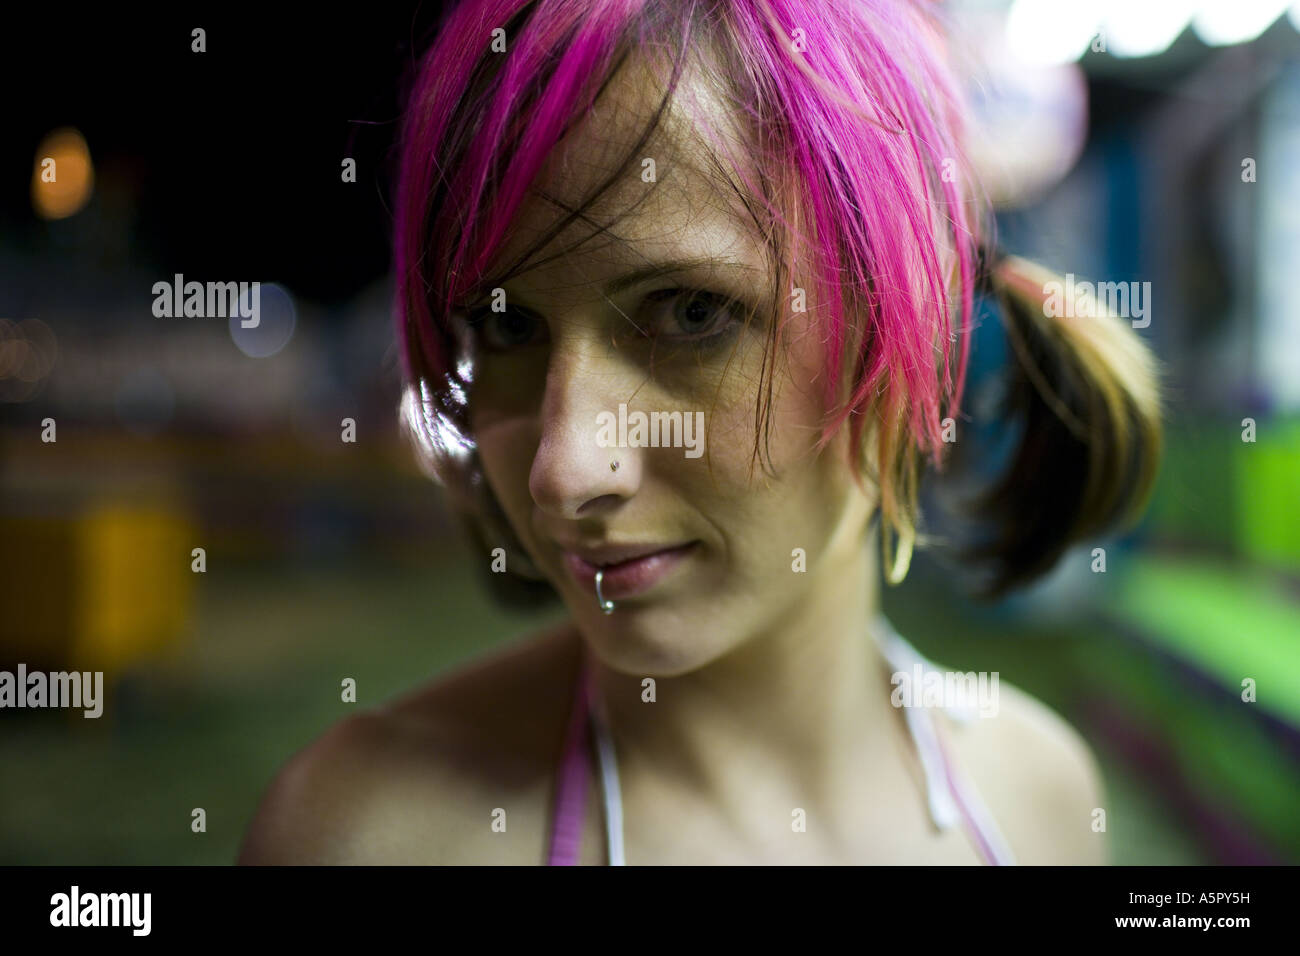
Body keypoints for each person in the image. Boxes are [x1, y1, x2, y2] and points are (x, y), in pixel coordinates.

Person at [238, 0, 1162, 865]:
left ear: (906, 322)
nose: (564, 473)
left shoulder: (1040, 802)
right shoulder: (365, 834)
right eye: (507, 326)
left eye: (688, 314)